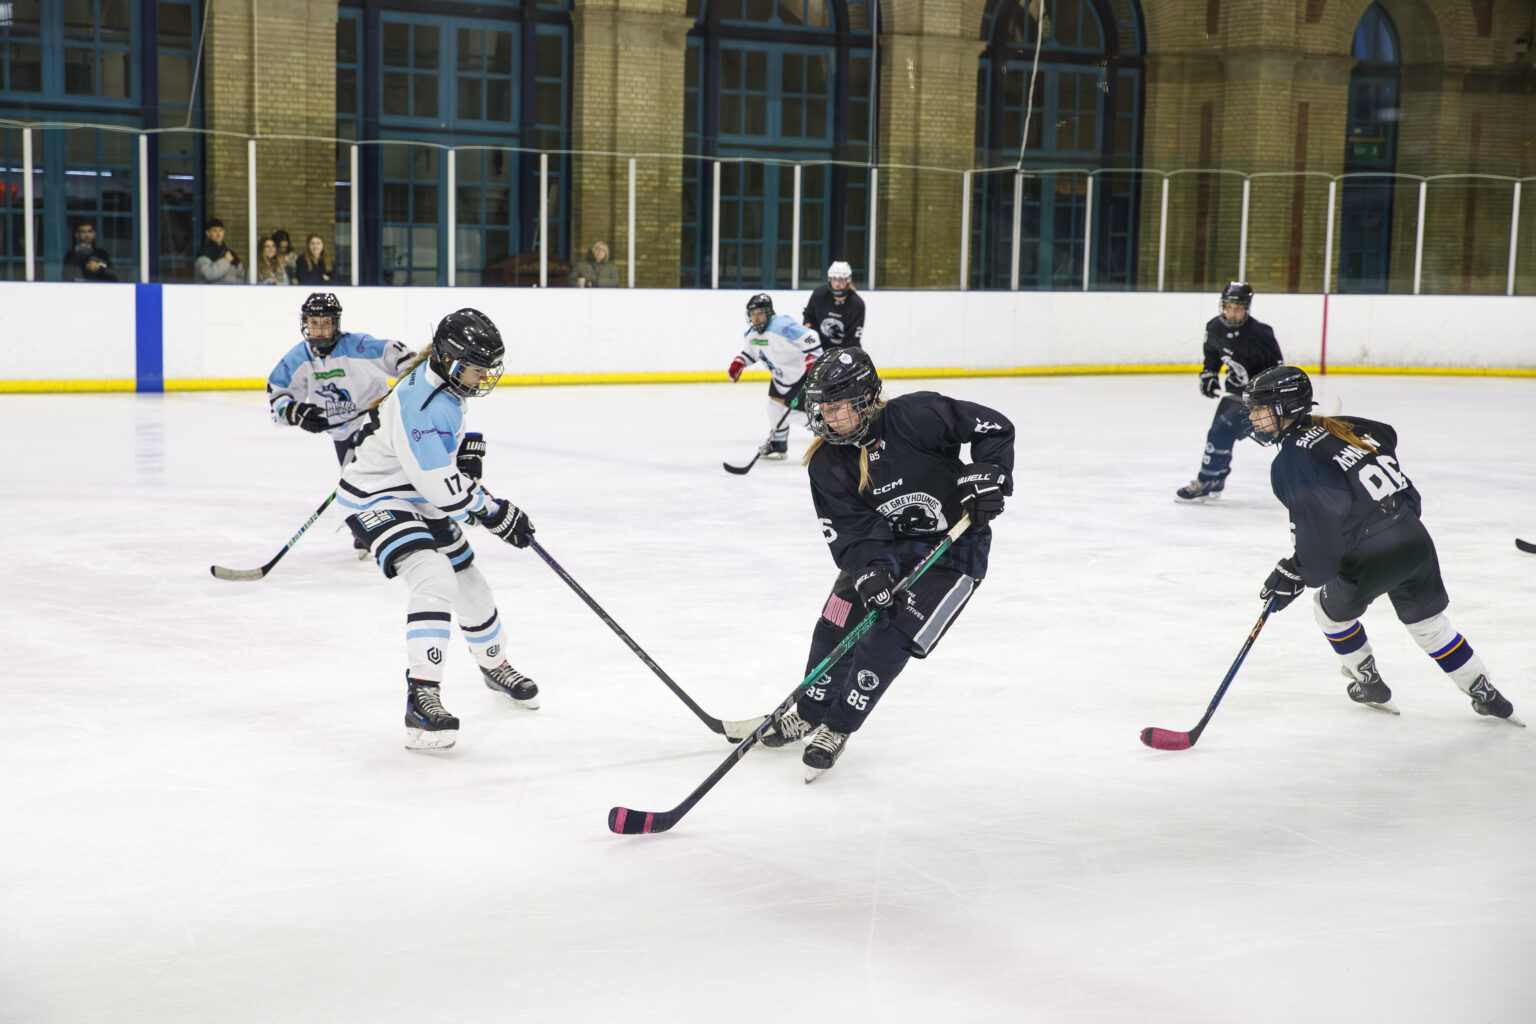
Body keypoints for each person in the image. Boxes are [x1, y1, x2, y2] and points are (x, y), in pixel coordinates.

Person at [758, 347, 1016, 781]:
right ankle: (809, 710)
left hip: (953, 551)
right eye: (822, 408)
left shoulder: (918, 415)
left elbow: (994, 427)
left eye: (837, 407)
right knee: (835, 620)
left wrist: (991, 472)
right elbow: (852, 529)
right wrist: (869, 571)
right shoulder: (826, 462)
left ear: (864, 399)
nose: (827, 418)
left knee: (885, 636)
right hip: (890, 546)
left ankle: (837, 727)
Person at [1245, 365, 1521, 725]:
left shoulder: (1292, 460)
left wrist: (1296, 571)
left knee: (1327, 611)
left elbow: (1322, 533)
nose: (1252, 416)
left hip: (1370, 555)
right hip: (1413, 537)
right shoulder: (1344, 428)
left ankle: (1368, 681)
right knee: (1430, 626)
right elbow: (1384, 435)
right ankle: (1483, 690)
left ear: (1284, 407)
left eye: (1261, 406)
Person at [337, 309, 542, 751]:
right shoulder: (420, 400)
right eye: (476, 366)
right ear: (448, 359)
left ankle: (494, 664)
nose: (483, 375)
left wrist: (461, 462)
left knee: (471, 585)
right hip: (376, 496)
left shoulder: (445, 384)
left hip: (417, 492)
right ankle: (421, 698)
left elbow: (438, 471)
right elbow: (443, 488)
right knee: (434, 577)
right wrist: (495, 512)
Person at [265, 293, 416, 556]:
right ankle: (368, 527)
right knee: (354, 480)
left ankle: (399, 521)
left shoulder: (359, 346)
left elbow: (404, 357)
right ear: (305, 324)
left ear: (336, 323)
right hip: (340, 430)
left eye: (326, 323)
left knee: (369, 476)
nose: (320, 330)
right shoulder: (298, 357)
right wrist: (297, 412)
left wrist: (409, 385)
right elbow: (277, 392)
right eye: (314, 323)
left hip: (374, 422)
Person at [1175, 281, 1282, 502]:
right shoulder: (1214, 327)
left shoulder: (1261, 333)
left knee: (1222, 433)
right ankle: (1214, 477)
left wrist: (1267, 399)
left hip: (1259, 400)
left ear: (1247, 308)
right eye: (1229, 307)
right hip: (1234, 394)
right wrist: (1209, 375)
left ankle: (1209, 479)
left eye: (1238, 308)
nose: (1232, 313)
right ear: (1222, 305)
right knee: (1220, 434)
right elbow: (1212, 358)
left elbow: (1277, 371)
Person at [727, 292, 823, 459]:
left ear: (769, 313)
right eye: (753, 314)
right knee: (773, 408)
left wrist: (812, 359)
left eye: (760, 313)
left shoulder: (782, 326)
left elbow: (811, 337)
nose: (756, 318)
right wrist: (739, 363)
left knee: (794, 412)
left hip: (800, 376)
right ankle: (778, 443)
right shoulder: (752, 335)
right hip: (780, 378)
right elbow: (751, 352)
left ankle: (827, 433)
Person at [802, 260, 865, 349]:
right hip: (819, 348)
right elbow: (808, 320)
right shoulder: (818, 295)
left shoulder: (857, 304)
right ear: (830, 279)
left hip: (845, 350)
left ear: (848, 280)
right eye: (834, 279)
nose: (837, 284)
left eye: (841, 279)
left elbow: (853, 339)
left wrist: (838, 357)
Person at [193, 217, 242, 284]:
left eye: (220, 230)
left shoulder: (230, 252)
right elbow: (209, 275)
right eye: (214, 231)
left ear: (224, 232)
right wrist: (226, 260)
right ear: (208, 233)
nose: (218, 234)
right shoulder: (203, 253)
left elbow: (240, 275)